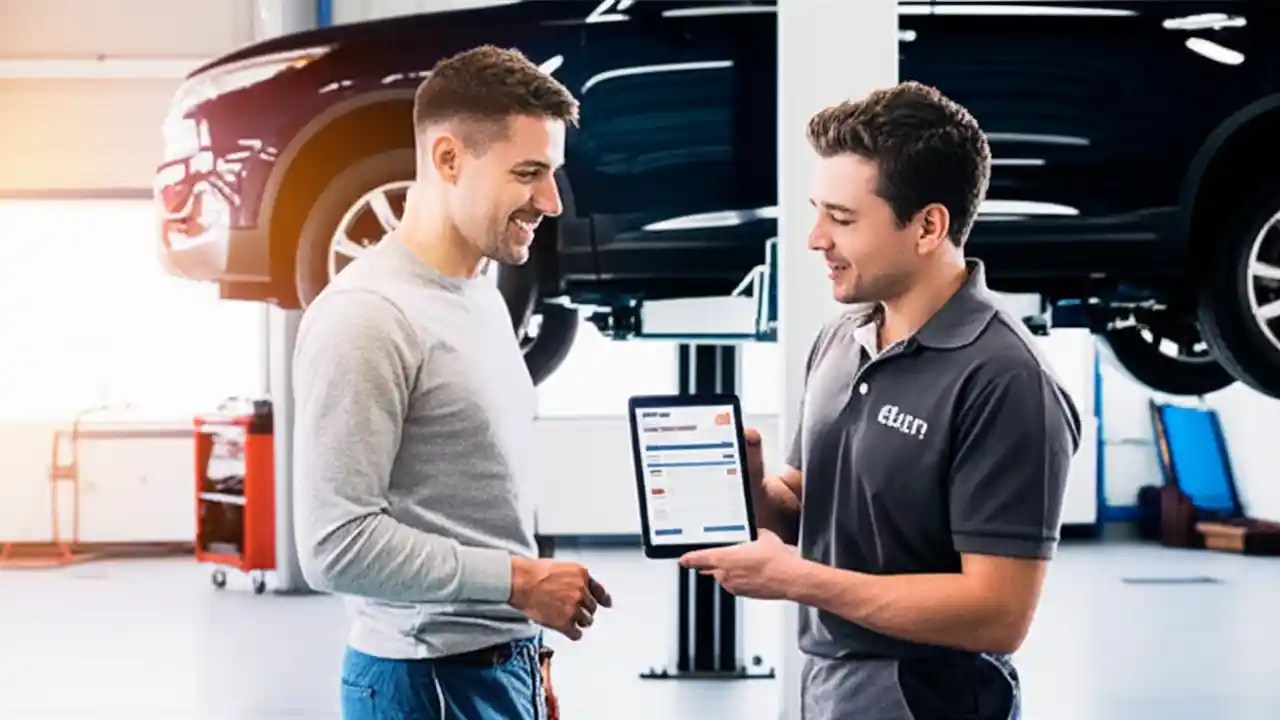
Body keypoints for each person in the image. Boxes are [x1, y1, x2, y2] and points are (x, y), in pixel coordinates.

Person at [680, 81, 1081, 719]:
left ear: (928, 227)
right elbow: (809, 504)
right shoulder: (842, 338)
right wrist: (750, 488)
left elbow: (997, 614)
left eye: (842, 219)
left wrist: (797, 579)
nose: (815, 238)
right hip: (827, 690)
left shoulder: (1007, 379)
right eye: (817, 212)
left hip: (930, 702)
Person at [292, 45, 611, 720]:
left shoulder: (480, 292)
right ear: (447, 159)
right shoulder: (367, 317)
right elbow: (334, 544)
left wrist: (522, 650)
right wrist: (520, 582)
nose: (551, 202)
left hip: (498, 667)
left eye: (552, 173)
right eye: (528, 173)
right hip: (426, 681)